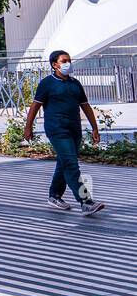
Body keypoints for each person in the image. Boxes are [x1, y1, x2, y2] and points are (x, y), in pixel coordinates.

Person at [24, 50, 105, 216]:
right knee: (71, 164)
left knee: (64, 162)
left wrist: (95, 128)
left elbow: (86, 106)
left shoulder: (75, 83)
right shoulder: (47, 83)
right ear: (55, 65)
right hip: (57, 129)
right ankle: (86, 202)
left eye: (69, 60)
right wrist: (28, 127)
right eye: (64, 61)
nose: (68, 63)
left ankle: (54, 196)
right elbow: (35, 106)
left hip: (74, 129)